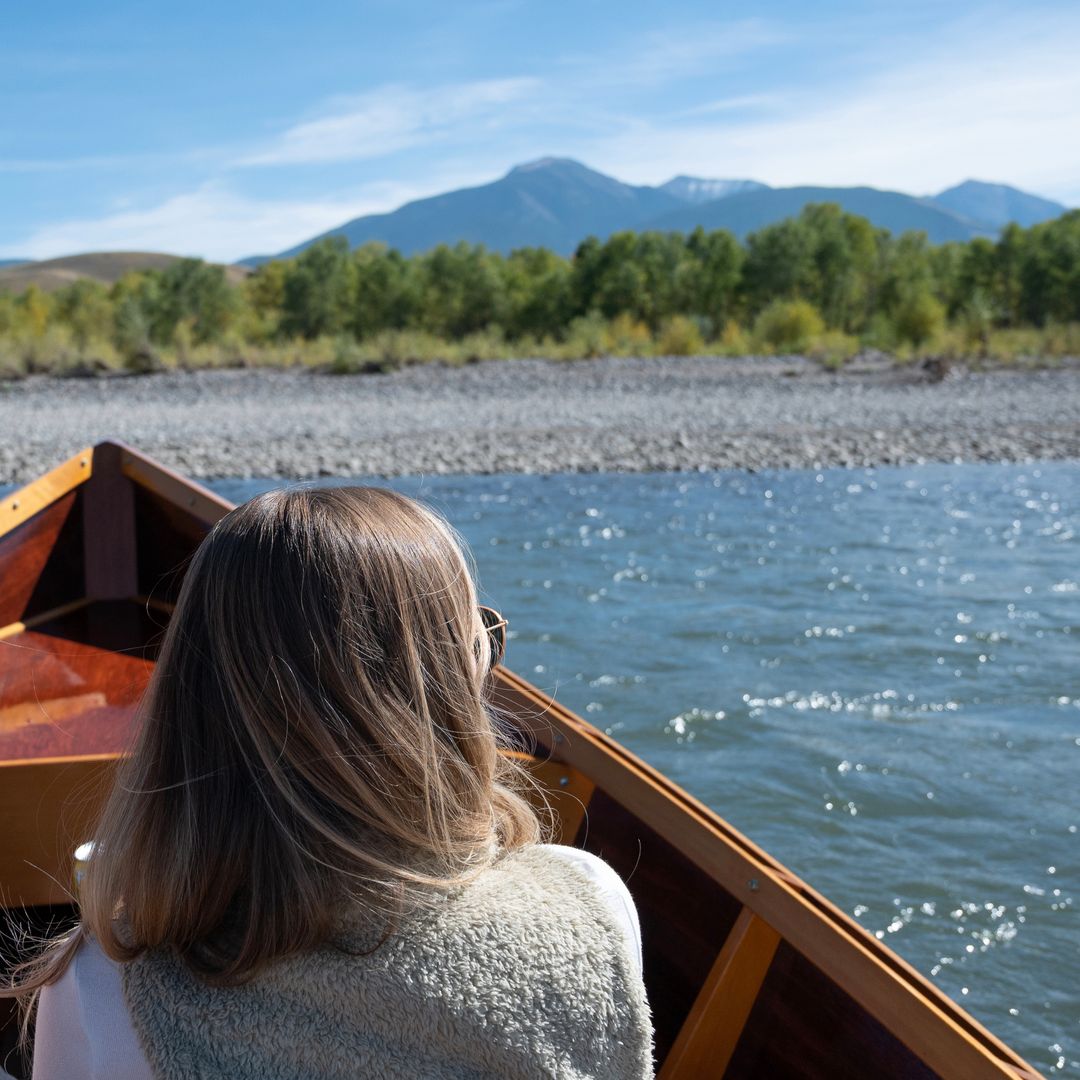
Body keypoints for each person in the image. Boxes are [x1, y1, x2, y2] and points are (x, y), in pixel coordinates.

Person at [6, 486, 653, 1079]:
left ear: (189, 698)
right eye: (482, 647)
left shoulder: (105, 988)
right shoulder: (593, 905)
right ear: (449, 696)